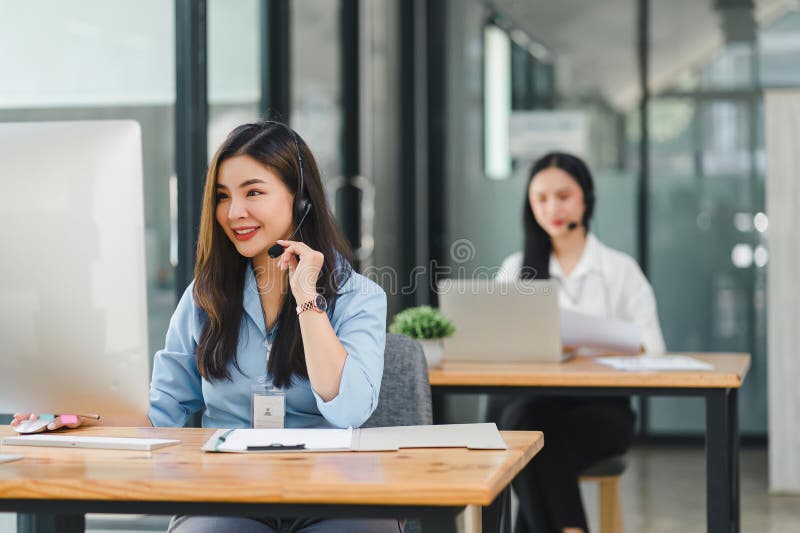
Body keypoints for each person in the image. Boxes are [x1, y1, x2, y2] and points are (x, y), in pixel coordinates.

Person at [13, 120, 397, 533]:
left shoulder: (359, 297)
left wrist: (307, 297)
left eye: (253, 192)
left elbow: (350, 409)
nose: (234, 213)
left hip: (332, 493)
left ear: (299, 199)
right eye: (223, 196)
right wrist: (84, 413)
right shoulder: (205, 297)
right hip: (225, 492)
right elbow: (162, 414)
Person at [493, 152, 665, 533]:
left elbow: (654, 349)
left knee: (530, 439)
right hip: (531, 404)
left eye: (563, 195)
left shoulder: (620, 271)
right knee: (529, 424)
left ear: (586, 198)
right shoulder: (516, 270)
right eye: (541, 198)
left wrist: (591, 347)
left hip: (599, 412)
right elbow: (497, 346)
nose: (552, 207)